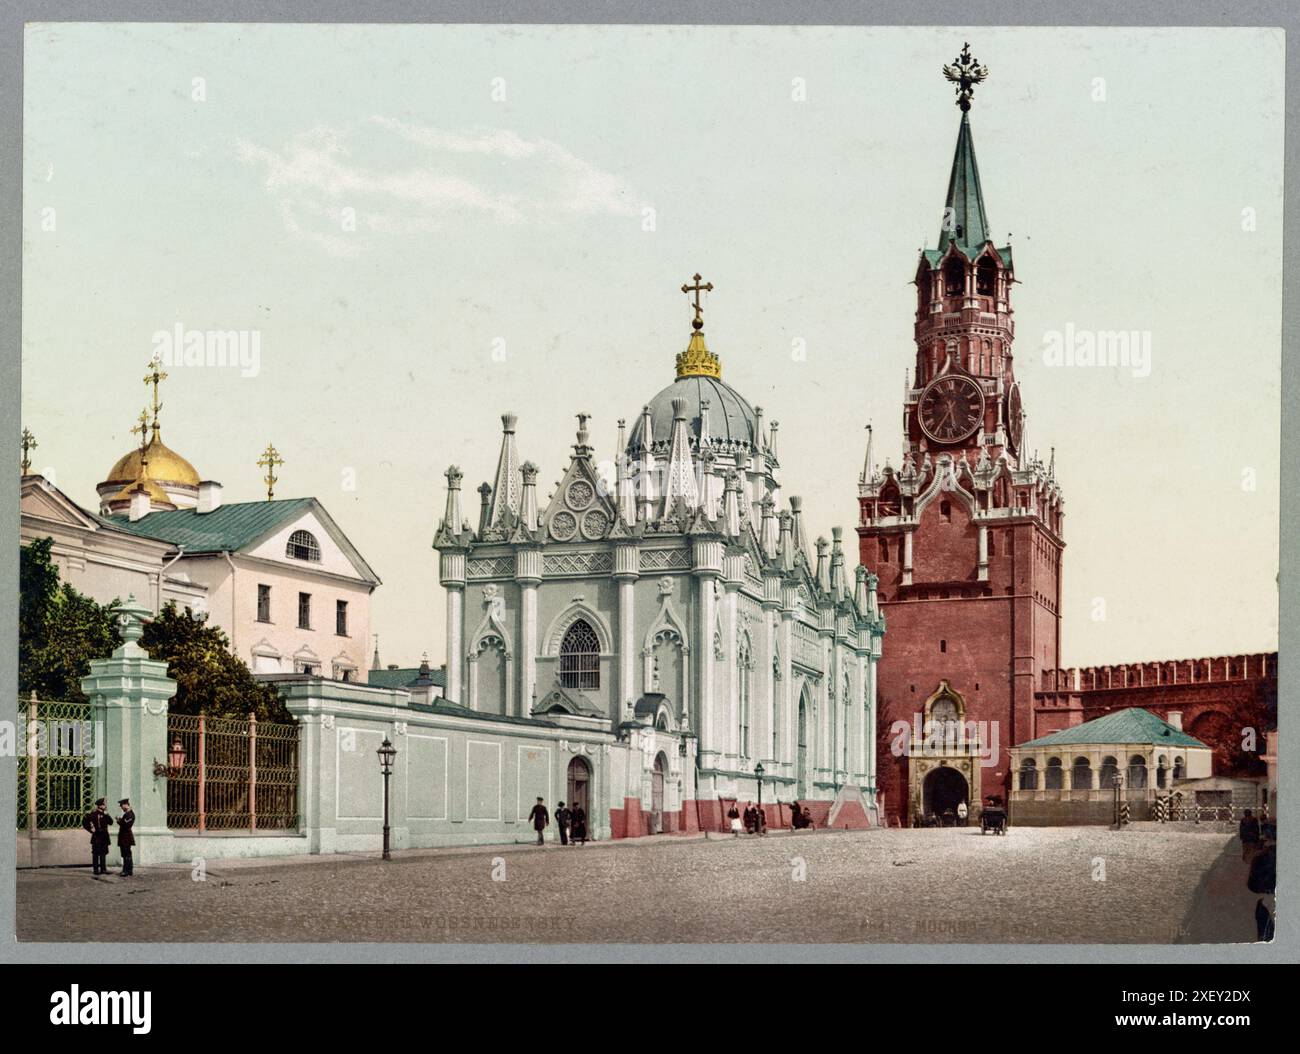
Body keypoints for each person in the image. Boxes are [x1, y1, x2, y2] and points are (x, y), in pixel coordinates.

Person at [82, 798, 113, 875]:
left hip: (104, 836)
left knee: (103, 853)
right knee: (95, 853)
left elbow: (111, 822)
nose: (105, 806)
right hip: (96, 836)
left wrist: (107, 815)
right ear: (100, 805)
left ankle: (103, 869)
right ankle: (96, 870)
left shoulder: (105, 814)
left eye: (104, 805)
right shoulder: (93, 814)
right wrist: (91, 830)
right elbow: (85, 822)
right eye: (103, 805)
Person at [116, 798, 136, 877]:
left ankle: (126, 870)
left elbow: (126, 824)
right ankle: (129, 870)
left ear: (125, 805)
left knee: (126, 854)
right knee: (126, 853)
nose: (121, 808)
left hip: (126, 837)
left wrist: (119, 820)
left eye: (121, 806)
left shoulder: (130, 814)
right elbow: (124, 822)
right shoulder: (127, 814)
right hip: (124, 837)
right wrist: (121, 820)